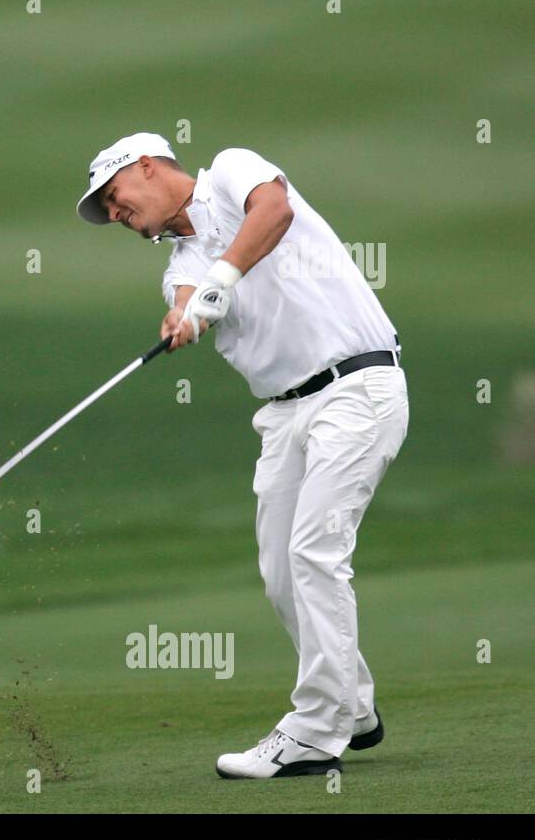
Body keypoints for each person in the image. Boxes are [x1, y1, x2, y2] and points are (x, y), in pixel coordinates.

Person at [76, 132, 409, 778]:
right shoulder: (178, 263)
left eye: (114, 198)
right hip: (284, 414)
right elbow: (185, 296)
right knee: (281, 573)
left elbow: (273, 212)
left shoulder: (231, 170)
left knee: (315, 551)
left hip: (358, 386)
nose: (114, 215)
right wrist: (186, 316)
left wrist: (222, 280)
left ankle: (315, 730)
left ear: (147, 167)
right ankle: (354, 703)